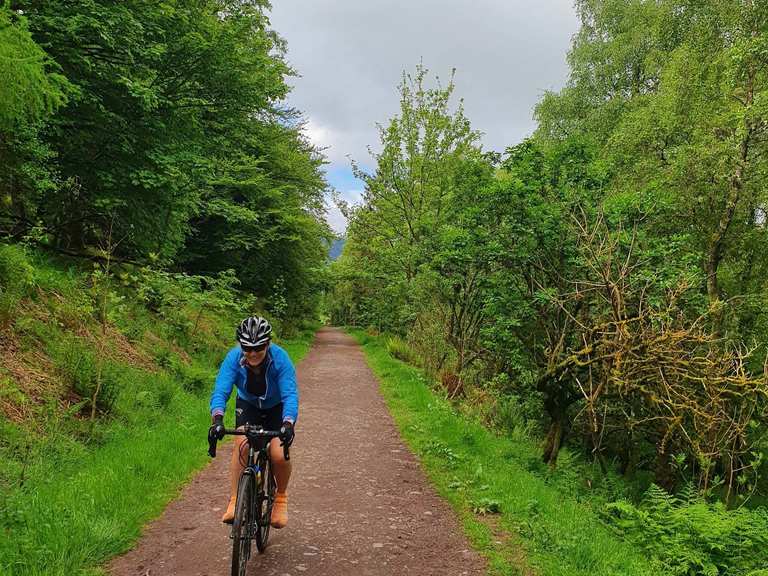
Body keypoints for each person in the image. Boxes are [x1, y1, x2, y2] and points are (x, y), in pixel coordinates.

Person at [208, 316, 297, 527]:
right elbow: (221, 390)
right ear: (241, 345)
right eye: (247, 348)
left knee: (278, 454)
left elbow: (290, 395)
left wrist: (288, 424)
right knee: (242, 444)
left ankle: (280, 499)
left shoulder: (280, 359)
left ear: (268, 344)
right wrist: (217, 419)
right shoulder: (233, 358)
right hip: (248, 405)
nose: (253, 353)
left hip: (276, 408)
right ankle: (235, 500)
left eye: (259, 348)